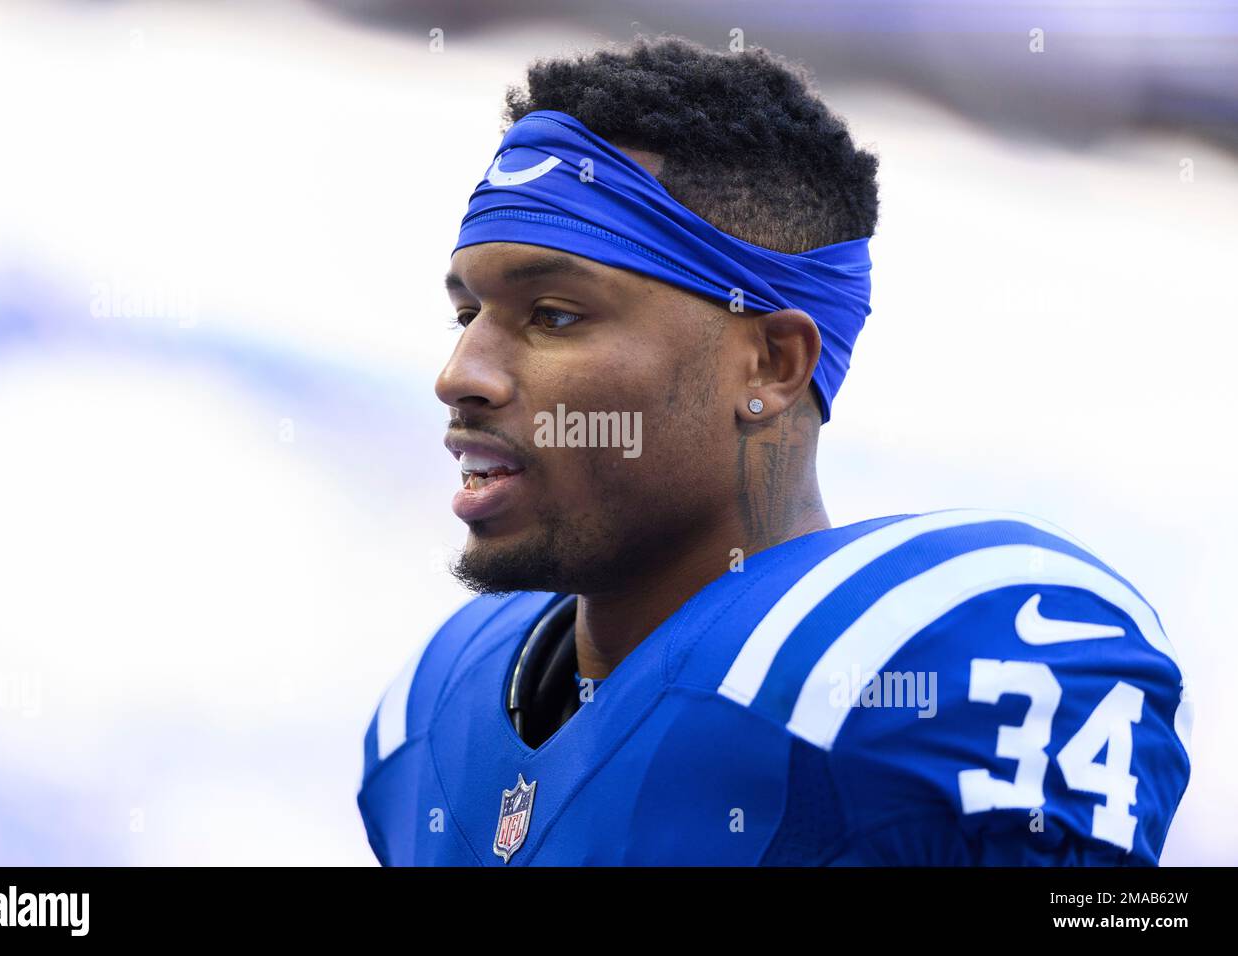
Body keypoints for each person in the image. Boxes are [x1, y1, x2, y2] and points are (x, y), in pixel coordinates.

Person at [358, 35, 1192, 866]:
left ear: (771, 364)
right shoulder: (433, 714)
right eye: (468, 315)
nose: (460, 374)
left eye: (555, 314)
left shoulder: (908, 686)